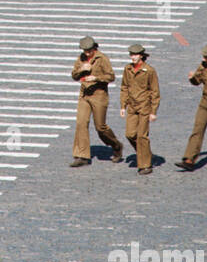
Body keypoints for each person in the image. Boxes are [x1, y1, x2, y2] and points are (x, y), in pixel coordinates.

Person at [69, 35, 123, 167]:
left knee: (100, 127)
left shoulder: (102, 58)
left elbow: (111, 77)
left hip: (99, 95)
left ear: (94, 48)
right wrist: (81, 69)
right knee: (81, 123)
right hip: (84, 94)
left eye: (89, 50)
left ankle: (116, 145)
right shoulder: (81, 58)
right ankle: (82, 156)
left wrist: (96, 77)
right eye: (84, 50)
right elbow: (74, 76)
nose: (86, 53)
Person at [119, 43, 160, 174]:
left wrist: (153, 111)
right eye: (131, 55)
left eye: (135, 55)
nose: (133, 57)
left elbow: (155, 92)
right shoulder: (128, 69)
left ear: (141, 55)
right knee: (130, 134)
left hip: (144, 107)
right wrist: (122, 106)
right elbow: (124, 87)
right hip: (132, 106)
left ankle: (145, 165)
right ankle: (146, 153)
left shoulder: (149, 71)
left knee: (142, 136)